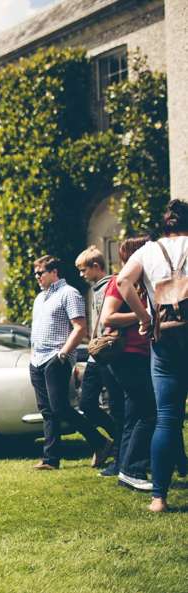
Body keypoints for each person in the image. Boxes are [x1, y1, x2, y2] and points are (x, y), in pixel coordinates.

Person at [114, 199, 188, 512]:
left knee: (167, 419)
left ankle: (159, 498)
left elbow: (122, 282)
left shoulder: (147, 252)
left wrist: (145, 318)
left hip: (165, 339)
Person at [29, 255, 113, 470]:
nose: (37, 277)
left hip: (56, 357)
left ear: (54, 272)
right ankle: (51, 459)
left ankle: (101, 443)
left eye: (40, 273)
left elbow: (80, 328)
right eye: (35, 273)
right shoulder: (40, 298)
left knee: (61, 408)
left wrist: (64, 354)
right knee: (47, 410)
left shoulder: (69, 294)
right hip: (37, 359)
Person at [100, 236, 155, 492]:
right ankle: (133, 469)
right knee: (148, 413)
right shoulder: (117, 282)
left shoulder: (142, 283)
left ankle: (127, 469)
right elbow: (107, 317)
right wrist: (144, 316)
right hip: (126, 356)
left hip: (140, 355)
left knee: (134, 415)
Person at [74, 247, 123, 473]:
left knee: (116, 404)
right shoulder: (95, 289)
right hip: (96, 354)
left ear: (96, 267)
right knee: (87, 404)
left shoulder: (112, 286)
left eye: (83, 270)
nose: (81, 274)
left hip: (109, 354)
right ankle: (118, 442)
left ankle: (122, 454)